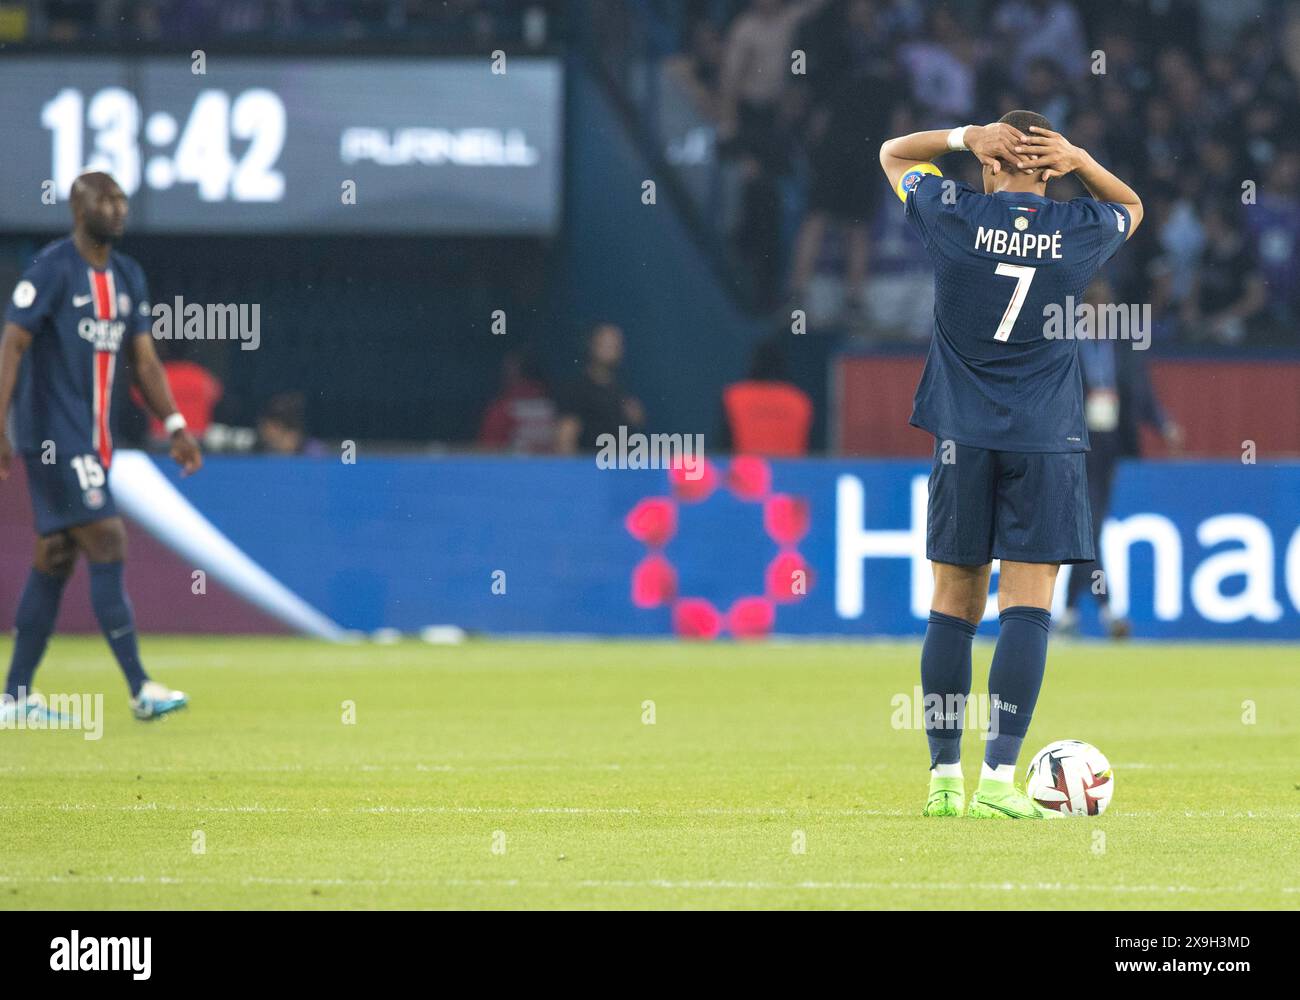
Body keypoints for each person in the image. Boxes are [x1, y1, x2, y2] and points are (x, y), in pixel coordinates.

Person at [879, 111, 1143, 818]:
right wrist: (1081, 156)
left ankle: (943, 781)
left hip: (961, 436)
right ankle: (1000, 781)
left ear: (993, 162)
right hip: (1045, 439)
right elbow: (1131, 206)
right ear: (1051, 169)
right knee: (1027, 607)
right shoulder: (1076, 232)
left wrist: (966, 137)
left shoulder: (952, 212)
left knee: (952, 604)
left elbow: (893, 154)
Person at [0, 171, 202, 722]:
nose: (116, 208)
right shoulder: (52, 269)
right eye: (104, 199)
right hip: (53, 438)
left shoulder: (128, 275)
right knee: (108, 539)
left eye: (120, 199)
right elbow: (12, 344)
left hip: (96, 441)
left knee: (57, 556)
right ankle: (141, 689)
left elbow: (144, 360)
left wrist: (177, 424)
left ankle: (14, 696)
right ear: (77, 207)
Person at [1060, 278, 1183, 638]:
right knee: (1090, 528)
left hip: (1109, 448)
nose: (1098, 314)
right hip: (1073, 447)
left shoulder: (1122, 350)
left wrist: (1164, 425)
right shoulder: (1067, 348)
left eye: (1103, 308)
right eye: (1092, 308)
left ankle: (1069, 613)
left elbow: (1141, 394)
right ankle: (1108, 611)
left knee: (1087, 530)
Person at [554, 324, 644, 454]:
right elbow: (565, 438)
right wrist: (572, 472)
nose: (612, 349)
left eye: (616, 345)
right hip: (590, 469)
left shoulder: (620, 389)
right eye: (606, 345)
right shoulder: (577, 389)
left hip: (620, 469)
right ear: (592, 346)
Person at [719, 337, 813, 456]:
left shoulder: (735, 397)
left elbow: (723, 447)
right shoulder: (799, 400)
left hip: (748, 471)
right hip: (792, 472)